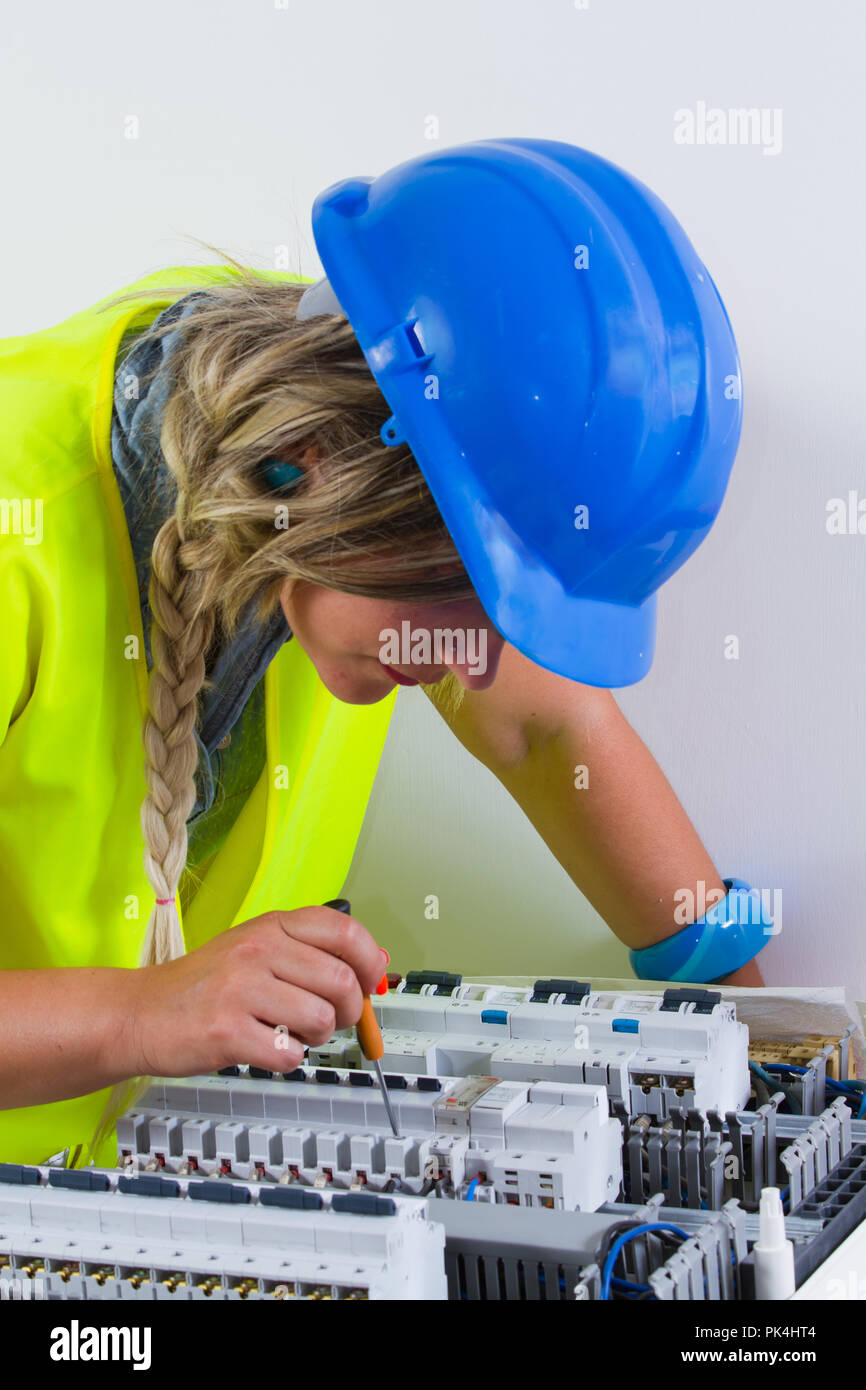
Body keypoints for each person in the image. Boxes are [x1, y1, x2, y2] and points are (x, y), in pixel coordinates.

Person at [0, 138, 770, 1168]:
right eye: (466, 611)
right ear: (320, 472)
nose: (479, 667)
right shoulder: (23, 538)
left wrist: (755, 1029)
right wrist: (137, 1014)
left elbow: (549, 727)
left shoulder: (347, 394)